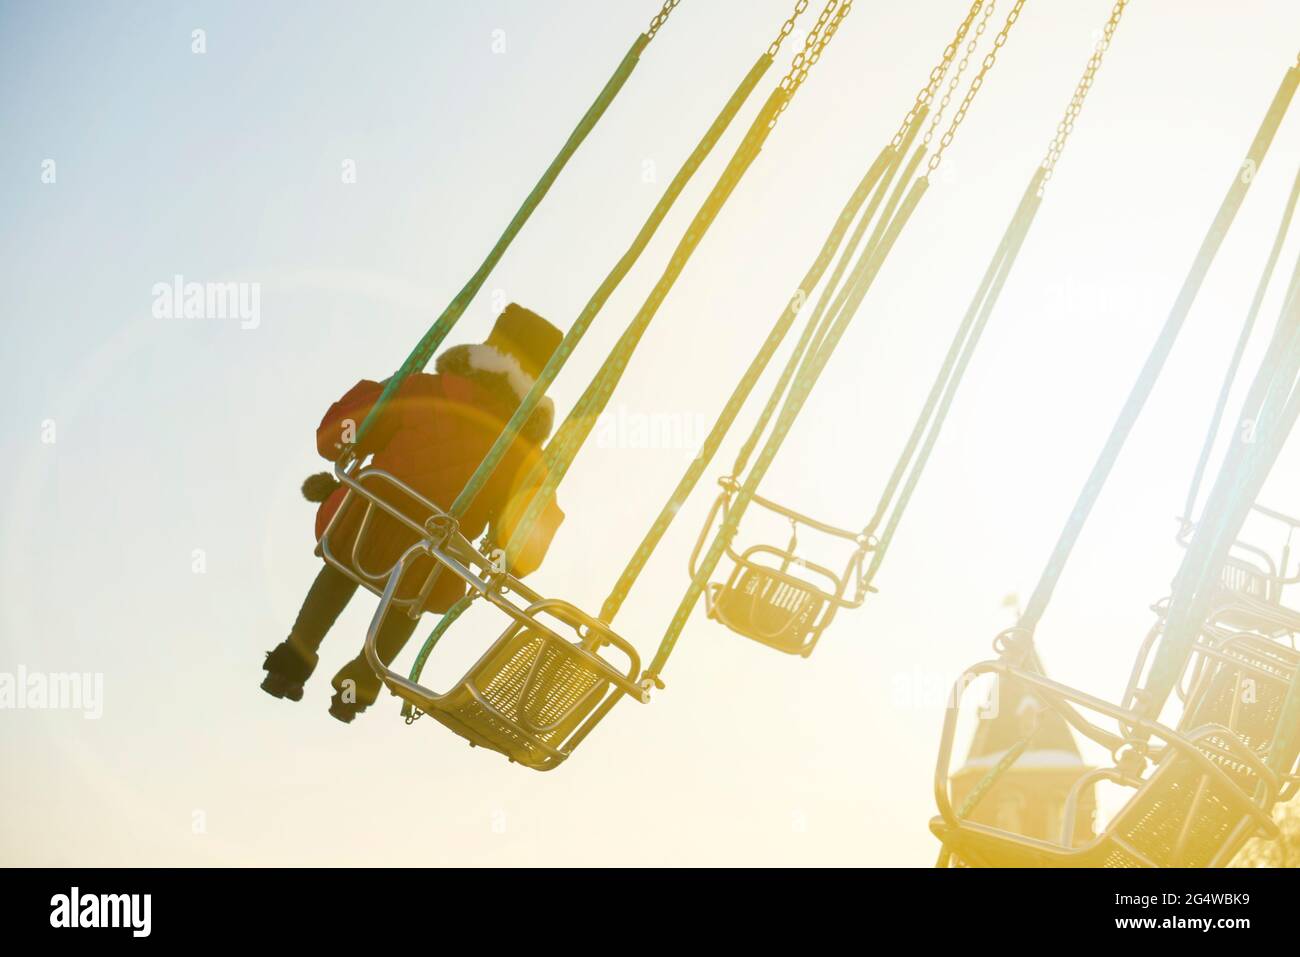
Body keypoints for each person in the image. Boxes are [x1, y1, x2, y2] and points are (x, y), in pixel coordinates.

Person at [261, 304, 566, 722]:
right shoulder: (525, 452)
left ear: (486, 349)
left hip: (362, 524)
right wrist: (506, 555)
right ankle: (360, 683)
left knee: (343, 564)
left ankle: (294, 656)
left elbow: (344, 431)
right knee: (413, 599)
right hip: (428, 562)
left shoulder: (425, 389)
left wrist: (347, 444)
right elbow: (531, 521)